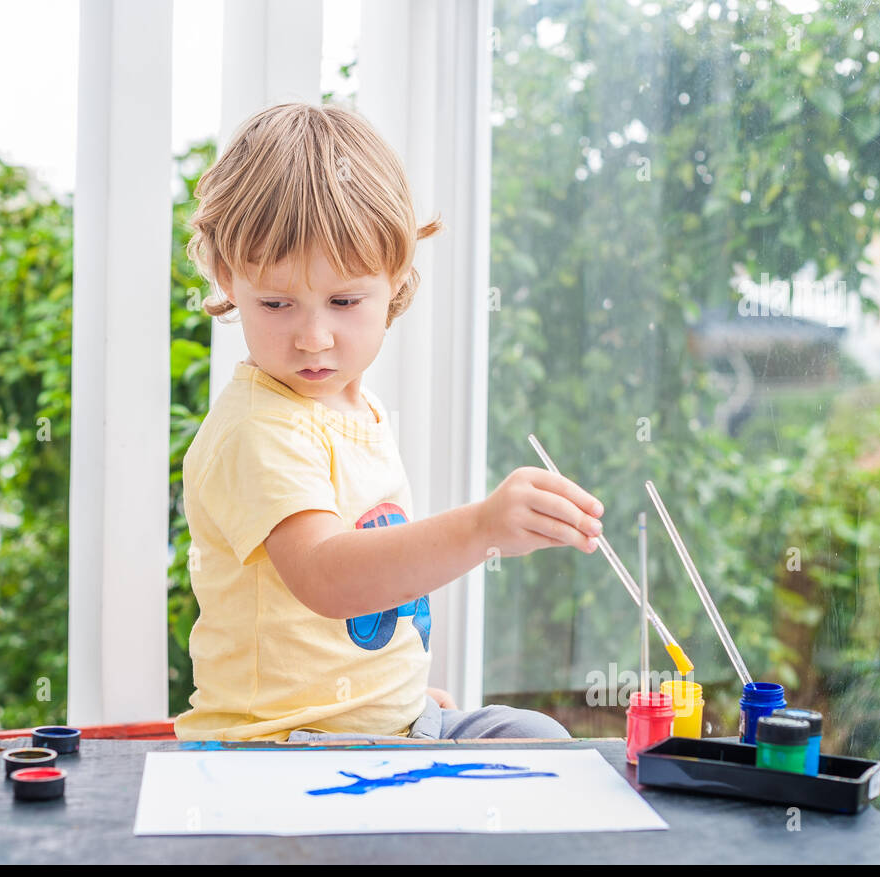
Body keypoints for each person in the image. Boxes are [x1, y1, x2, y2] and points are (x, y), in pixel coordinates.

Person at [173, 102, 605, 742]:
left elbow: (364, 592)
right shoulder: (260, 429)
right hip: (281, 744)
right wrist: (481, 526)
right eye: (276, 304)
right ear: (227, 279)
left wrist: (391, 688)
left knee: (540, 741)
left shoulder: (352, 404)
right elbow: (327, 575)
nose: (314, 338)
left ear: (396, 275)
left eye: (344, 301)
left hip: (381, 724)